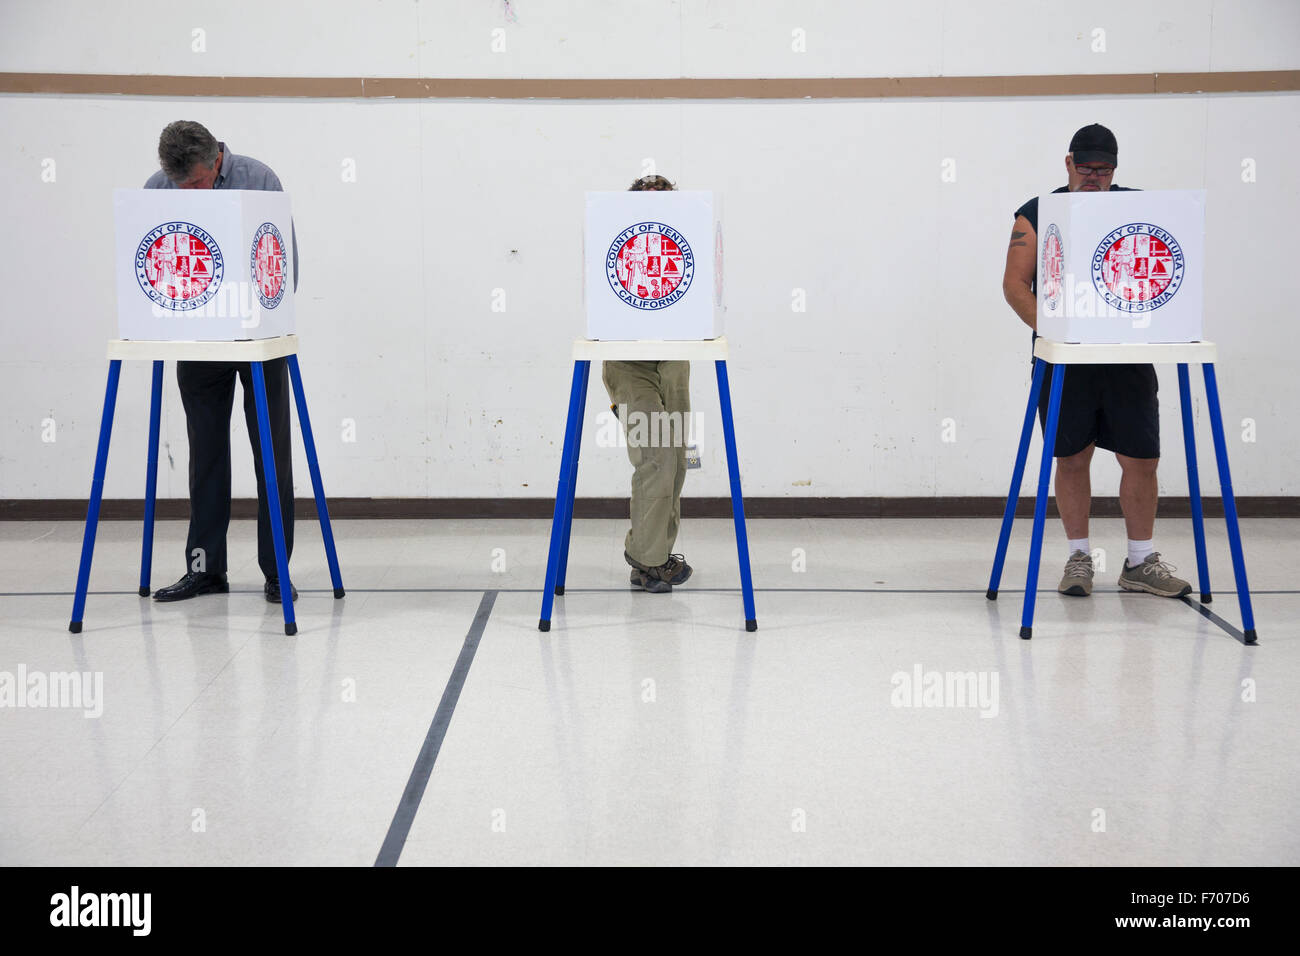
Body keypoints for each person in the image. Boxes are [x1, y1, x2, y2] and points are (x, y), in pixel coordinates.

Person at [1001, 123, 1191, 599]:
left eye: (1103, 170)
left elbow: (1164, 264)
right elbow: (1013, 286)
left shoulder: (1137, 208)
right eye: (1085, 168)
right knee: (1070, 458)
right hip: (1065, 359)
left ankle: (1141, 561)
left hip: (1126, 357)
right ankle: (1079, 557)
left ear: (1115, 170)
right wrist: (1056, 333)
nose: (1093, 177)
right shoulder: (1037, 212)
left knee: (1142, 458)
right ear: (1068, 163)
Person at [145, 120, 300, 604]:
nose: (187, 193)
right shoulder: (157, 188)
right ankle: (206, 570)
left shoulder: (260, 180)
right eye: (179, 186)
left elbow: (284, 263)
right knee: (205, 456)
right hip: (199, 341)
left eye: (194, 183)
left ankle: (277, 572)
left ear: (216, 161)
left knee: (270, 455)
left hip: (258, 340)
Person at [603, 173, 693, 593]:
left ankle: (654, 558)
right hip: (628, 362)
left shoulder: (685, 236)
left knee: (675, 464)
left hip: (673, 359)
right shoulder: (614, 236)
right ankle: (646, 557)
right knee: (656, 458)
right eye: (647, 199)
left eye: (664, 199)